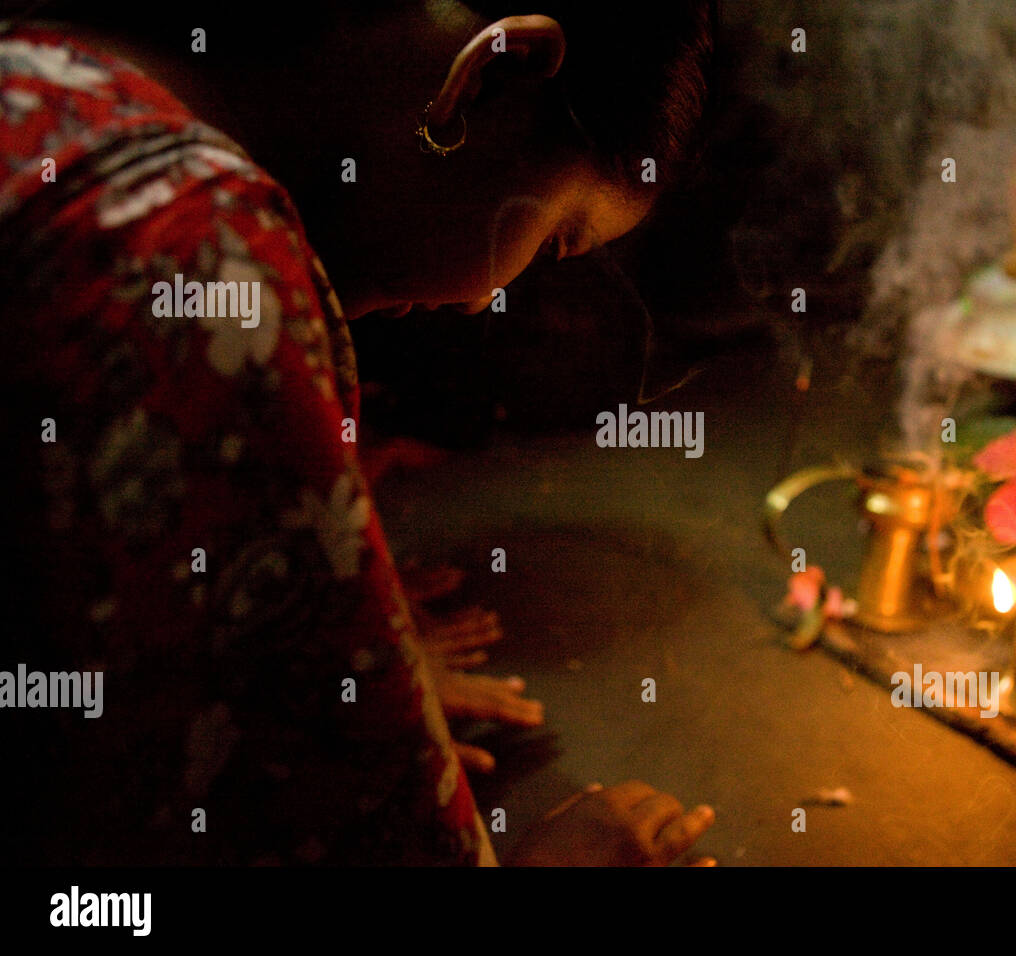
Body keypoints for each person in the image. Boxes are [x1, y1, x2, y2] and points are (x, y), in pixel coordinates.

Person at [0, 0, 716, 865]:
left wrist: (321, 657)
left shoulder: (43, 71)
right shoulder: (185, 248)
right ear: (488, 75)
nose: (484, 300)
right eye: (558, 236)